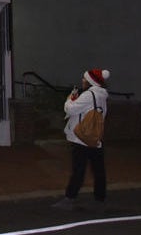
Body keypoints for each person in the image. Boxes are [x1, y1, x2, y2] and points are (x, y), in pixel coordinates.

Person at [53, 68, 110, 211]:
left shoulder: (88, 95)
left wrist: (70, 98)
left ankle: (69, 198)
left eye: (85, 79)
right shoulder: (102, 96)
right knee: (98, 169)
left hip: (82, 137)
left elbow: (70, 109)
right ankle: (100, 198)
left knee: (78, 169)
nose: (82, 81)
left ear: (90, 81)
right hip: (95, 137)